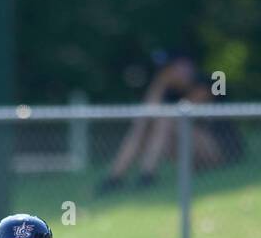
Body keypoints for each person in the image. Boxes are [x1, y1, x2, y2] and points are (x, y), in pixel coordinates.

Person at [97, 51, 244, 195]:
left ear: (185, 67)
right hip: (192, 159)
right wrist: (159, 84)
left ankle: (147, 174)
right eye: (163, 71)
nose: (166, 74)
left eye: (170, 69)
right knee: (145, 126)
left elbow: (188, 108)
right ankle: (115, 177)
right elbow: (145, 116)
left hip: (221, 151)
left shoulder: (208, 82)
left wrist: (162, 91)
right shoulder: (169, 91)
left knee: (164, 120)